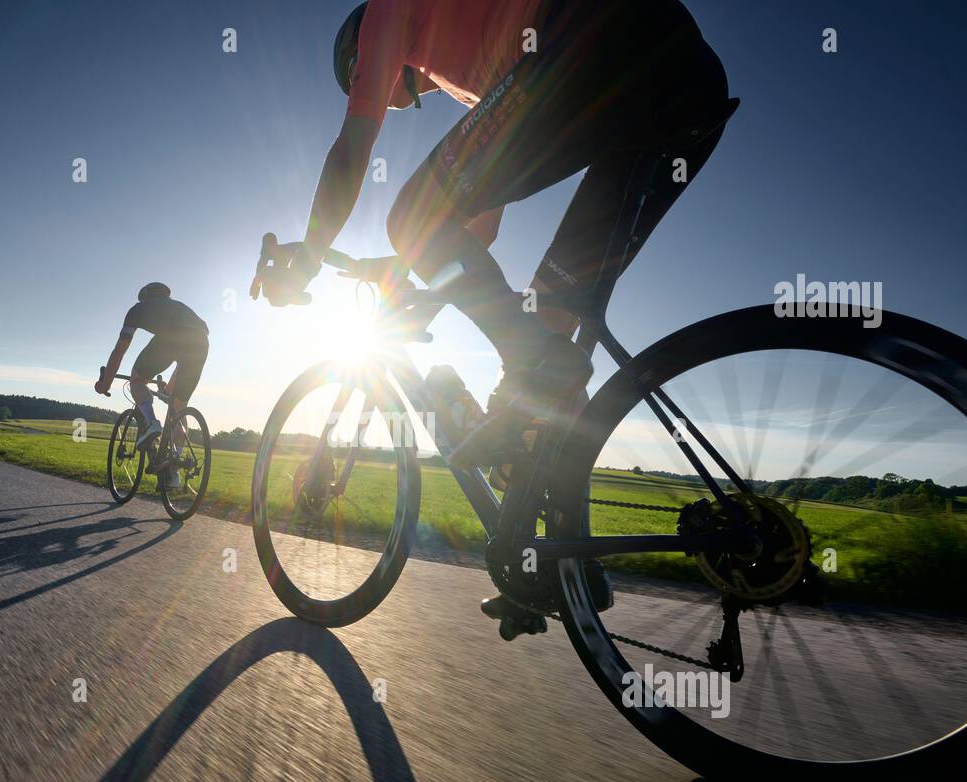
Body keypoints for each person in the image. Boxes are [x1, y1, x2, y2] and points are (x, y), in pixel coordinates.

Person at [253, 0, 732, 612]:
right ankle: (562, 566)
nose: (383, 98)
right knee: (551, 317)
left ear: (359, 58)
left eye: (360, 79)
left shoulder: (386, 13)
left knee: (415, 217)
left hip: (595, 37)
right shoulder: (487, 69)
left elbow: (355, 147)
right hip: (680, 81)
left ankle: (537, 367)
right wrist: (405, 274)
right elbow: (476, 235)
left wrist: (311, 255)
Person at [95, 283, 209, 490]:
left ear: (144, 298)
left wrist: (105, 384)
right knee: (179, 407)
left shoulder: (137, 310)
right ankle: (174, 469)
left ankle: (151, 423)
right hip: (201, 342)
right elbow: (184, 357)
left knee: (137, 380)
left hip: (170, 340)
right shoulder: (182, 308)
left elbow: (119, 350)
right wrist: (171, 387)